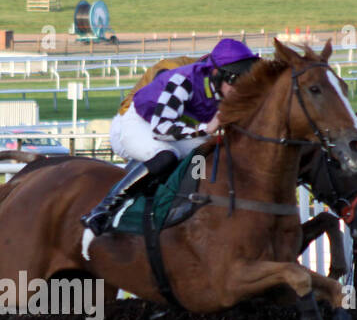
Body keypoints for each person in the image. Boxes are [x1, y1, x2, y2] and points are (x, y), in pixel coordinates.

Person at [81, 38, 260, 235]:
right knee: (166, 156)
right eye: (236, 80)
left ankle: (193, 199)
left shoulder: (224, 90)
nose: (240, 88)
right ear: (217, 73)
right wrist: (206, 128)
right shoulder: (183, 81)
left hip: (170, 126)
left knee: (203, 153)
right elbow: (161, 129)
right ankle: (105, 209)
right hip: (140, 123)